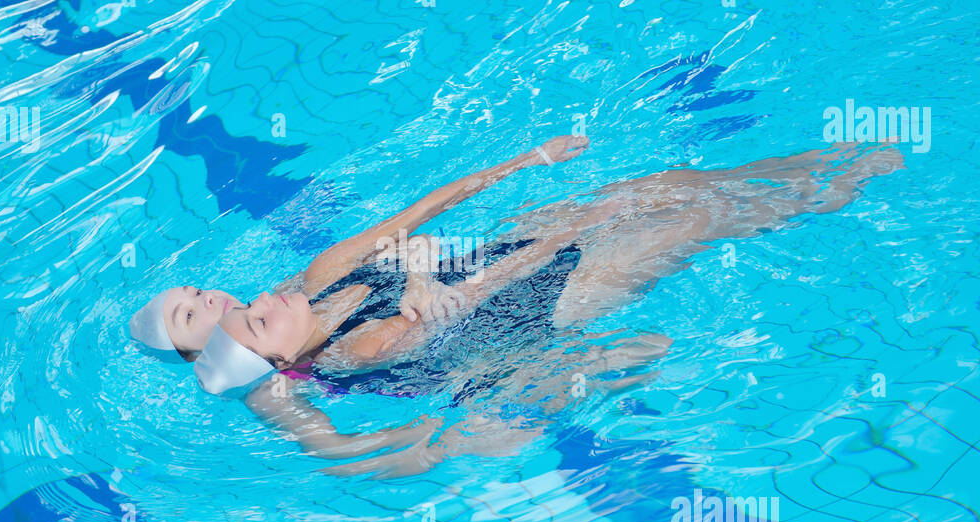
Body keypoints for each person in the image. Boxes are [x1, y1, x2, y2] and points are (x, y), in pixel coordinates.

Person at [133, 136, 903, 476]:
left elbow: (417, 217)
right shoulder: (346, 358)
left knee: (664, 183)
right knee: (693, 222)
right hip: (526, 305)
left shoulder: (313, 282)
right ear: (280, 357)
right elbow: (469, 297)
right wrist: (570, 237)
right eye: (260, 316)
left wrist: (524, 162)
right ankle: (829, 191)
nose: (264, 295)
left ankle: (811, 164)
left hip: (486, 264)